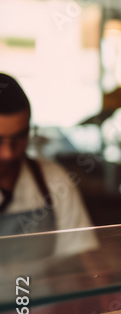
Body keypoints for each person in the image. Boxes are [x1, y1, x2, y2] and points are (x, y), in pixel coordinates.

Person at [0, 73, 95, 254]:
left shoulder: (53, 180)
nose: (8, 153)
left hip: (43, 283)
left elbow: (82, 257)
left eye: (19, 137)